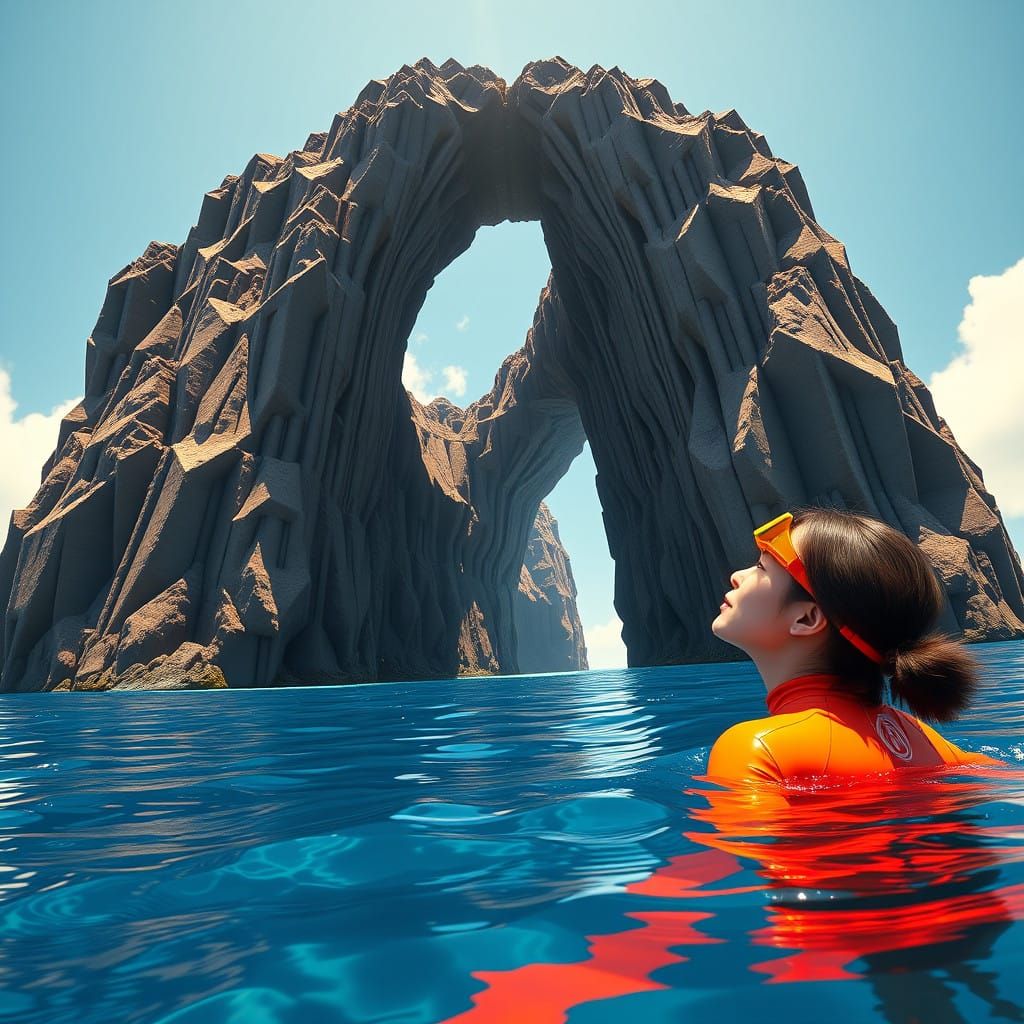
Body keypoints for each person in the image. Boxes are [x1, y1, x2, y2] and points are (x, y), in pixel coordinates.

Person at [705, 506, 1005, 785]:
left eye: (761, 567)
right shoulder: (930, 743)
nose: (737, 576)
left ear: (807, 618)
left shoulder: (757, 751)